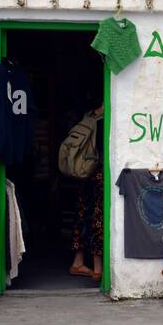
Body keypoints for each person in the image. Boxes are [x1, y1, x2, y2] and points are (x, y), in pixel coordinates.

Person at [69, 107, 105, 283]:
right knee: (98, 217)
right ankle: (98, 268)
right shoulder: (104, 120)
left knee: (82, 215)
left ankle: (78, 262)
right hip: (98, 175)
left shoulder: (86, 117)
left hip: (83, 174)